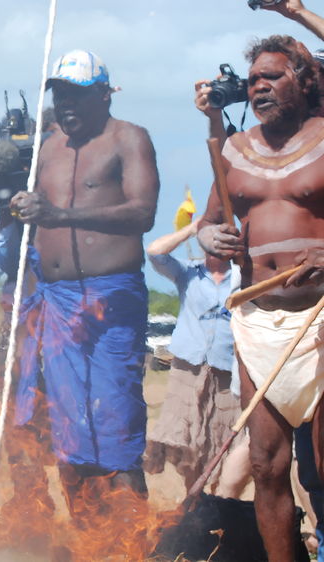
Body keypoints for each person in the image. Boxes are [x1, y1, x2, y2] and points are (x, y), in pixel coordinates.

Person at [9, 50, 160, 506]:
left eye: (77, 95)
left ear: (104, 95)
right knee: (68, 428)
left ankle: (130, 543)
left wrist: (60, 214)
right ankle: (85, 544)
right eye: (59, 95)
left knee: (114, 420)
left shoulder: (129, 138)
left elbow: (144, 213)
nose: (66, 105)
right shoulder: (47, 146)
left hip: (109, 300)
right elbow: (32, 221)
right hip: (52, 301)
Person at [198, 35, 324, 562]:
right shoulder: (232, 148)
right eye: (252, 81)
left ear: (304, 80)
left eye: (271, 76)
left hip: (319, 317)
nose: (259, 88)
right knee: (267, 466)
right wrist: (211, 238)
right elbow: (208, 224)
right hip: (256, 320)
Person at [143, 219, 244, 493]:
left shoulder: (243, 277)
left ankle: (215, 502)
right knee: (187, 444)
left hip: (227, 372)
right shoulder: (188, 273)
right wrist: (192, 229)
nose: (215, 252)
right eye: (211, 245)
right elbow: (154, 251)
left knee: (220, 442)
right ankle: (193, 499)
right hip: (188, 368)